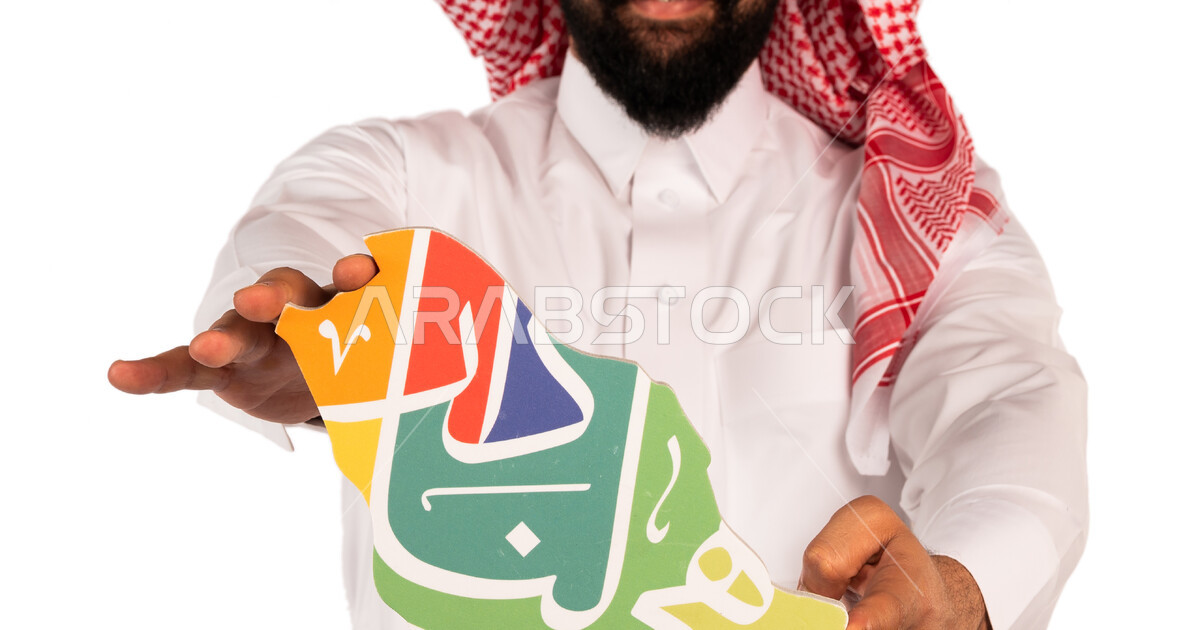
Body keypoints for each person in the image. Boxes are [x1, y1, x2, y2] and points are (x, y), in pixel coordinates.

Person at [108, 0, 1088, 628]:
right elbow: (305, 242)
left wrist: (966, 586)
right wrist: (319, 343)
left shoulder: (917, 213)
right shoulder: (401, 171)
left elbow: (1013, 399)